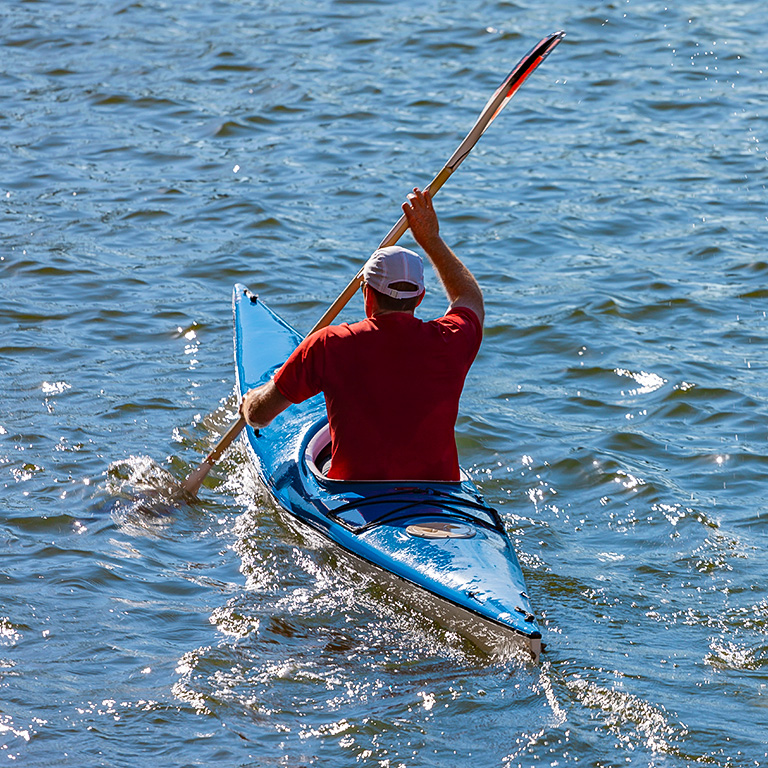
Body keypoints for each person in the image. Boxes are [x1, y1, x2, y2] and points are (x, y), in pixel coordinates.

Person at [239, 187, 484, 481]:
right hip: (438, 493)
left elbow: (260, 416)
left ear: (367, 294)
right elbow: (469, 298)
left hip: (354, 497)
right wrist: (431, 239)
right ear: (420, 297)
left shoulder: (329, 344)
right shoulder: (452, 339)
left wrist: (250, 402)